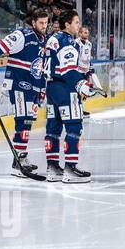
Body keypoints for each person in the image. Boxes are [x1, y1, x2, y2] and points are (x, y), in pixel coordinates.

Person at [0, 7, 49, 179]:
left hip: (32, 88)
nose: (44, 26)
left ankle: (22, 157)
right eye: (41, 23)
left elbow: (40, 69)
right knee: (22, 120)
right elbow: (1, 46)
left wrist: (41, 90)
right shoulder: (22, 35)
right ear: (33, 22)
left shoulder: (43, 40)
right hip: (19, 85)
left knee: (27, 123)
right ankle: (17, 163)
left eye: (46, 23)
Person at [43, 10, 98, 182]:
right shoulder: (68, 42)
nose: (78, 25)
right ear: (67, 24)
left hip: (51, 88)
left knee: (53, 128)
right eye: (75, 22)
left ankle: (52, 168)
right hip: (66, 89)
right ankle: (70, 168)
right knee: (74, 127)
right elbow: (68, 71)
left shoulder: (52, 39)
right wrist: (82, 85)